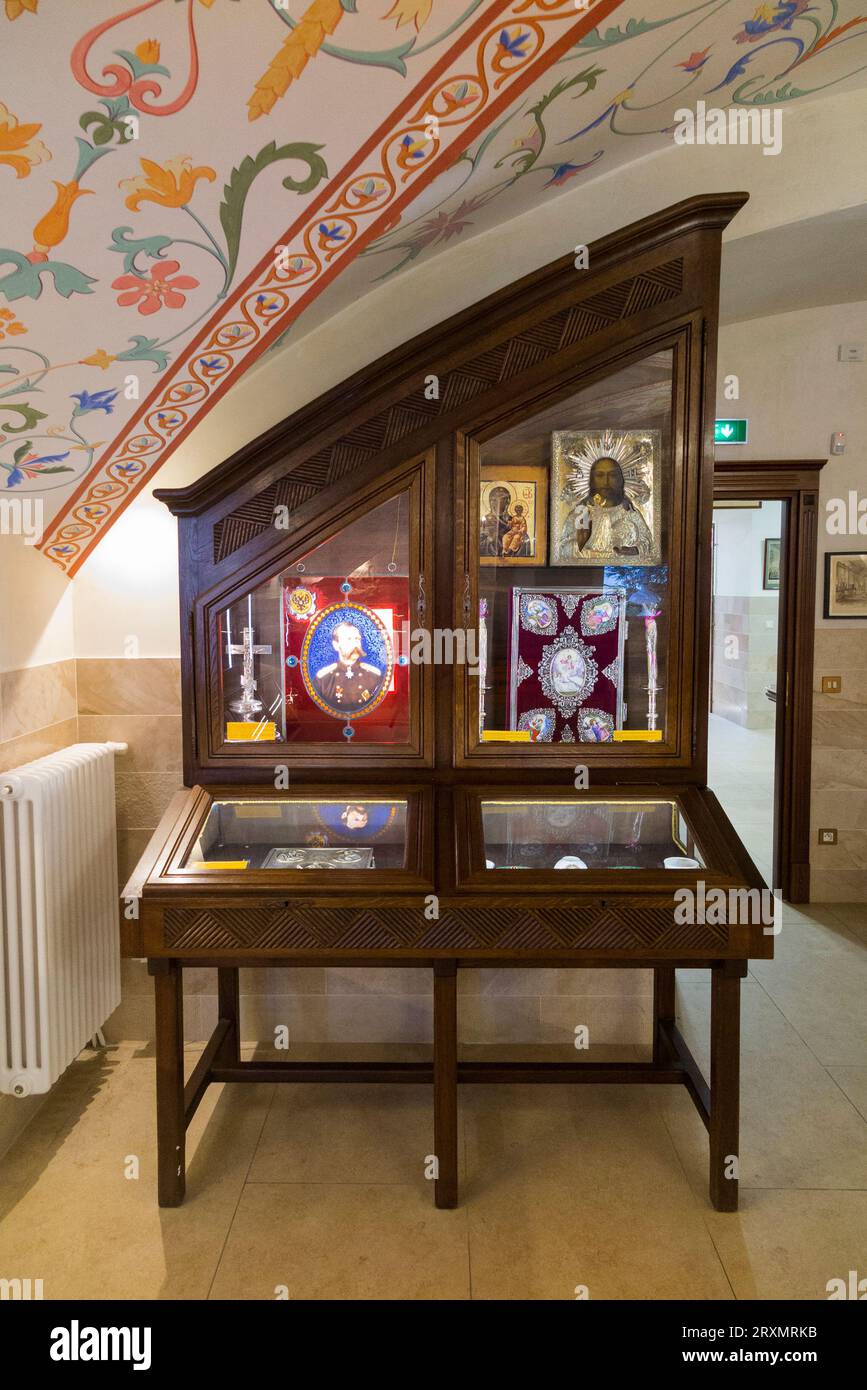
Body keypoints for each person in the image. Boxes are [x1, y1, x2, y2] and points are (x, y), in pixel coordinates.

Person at [567, 456, 654, 560]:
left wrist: (634, 550)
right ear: (591, 480)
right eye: (599, 475)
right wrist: (585, 548)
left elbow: (649, 545)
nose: (606, 481)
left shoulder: (630, 512)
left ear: (620, 479)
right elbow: (563, 547)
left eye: (612, 475)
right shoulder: (581, 513)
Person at [312, 621, 384, 711]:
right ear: (336, 645)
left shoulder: (374, 675)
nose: (355, 644)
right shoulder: (323, 679)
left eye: (357, 639)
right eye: (349, 639)